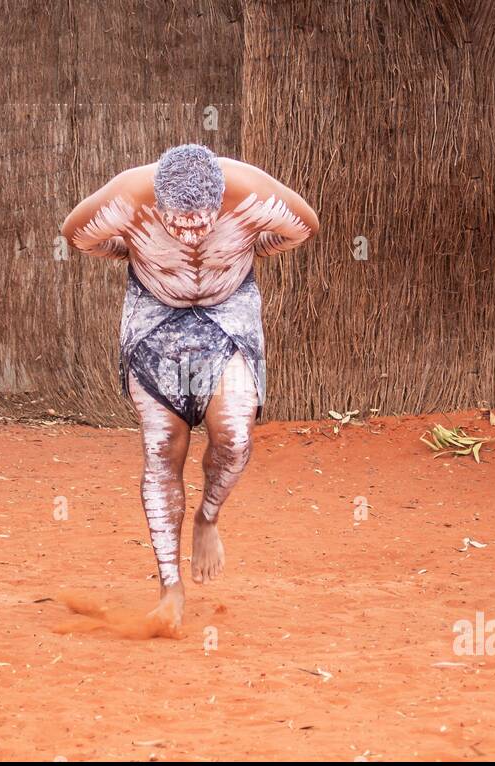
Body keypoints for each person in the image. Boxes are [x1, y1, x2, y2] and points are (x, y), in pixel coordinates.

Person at [62, 144, 318, 631]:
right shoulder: (128, 196)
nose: (191, 236)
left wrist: (244, 249)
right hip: (155, 314)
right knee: (162, 446)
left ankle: (208, 517)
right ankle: (169, 585)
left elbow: (303, 228)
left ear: (221, 199)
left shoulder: (251, 192)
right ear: (157, 202)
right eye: (176, 224)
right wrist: (136, 251)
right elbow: (77, 237)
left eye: (202, 222)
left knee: (236, 438)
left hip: (228, 313)